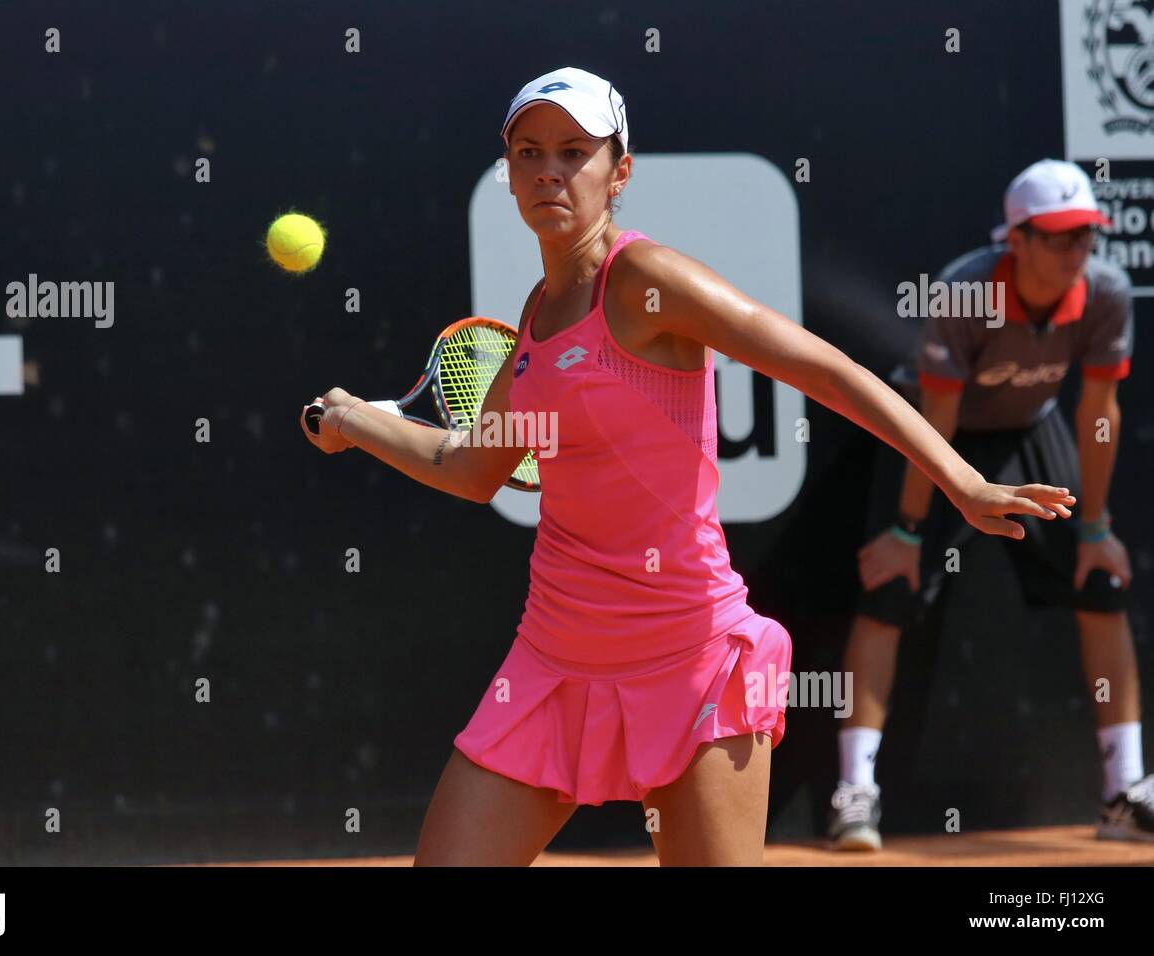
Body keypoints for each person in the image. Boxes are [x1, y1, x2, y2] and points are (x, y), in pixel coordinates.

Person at [300, 67, 1075, 866]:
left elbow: (822, 370)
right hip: (552, 661)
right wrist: (357, 420)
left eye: (574, 151)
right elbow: (472, 467)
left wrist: (962, 479)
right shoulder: (535, 314)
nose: (549, 172)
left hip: (692, 658)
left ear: (619, 170)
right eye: (529, 153)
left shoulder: (645, 282)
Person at [828, 159, 1153, 851]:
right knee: (889, 586)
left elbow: (1100, 411)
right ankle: (854, 795)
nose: (1076, 252)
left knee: (1103, 582)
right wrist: (911, 533)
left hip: (1033, 431)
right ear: (1017, 239)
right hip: (934, 438)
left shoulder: (1106, 292)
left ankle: (1123, 792)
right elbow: (938, 417)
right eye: (1059, 237)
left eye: (1085, 236)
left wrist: (1095, 528)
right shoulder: (963, 291)